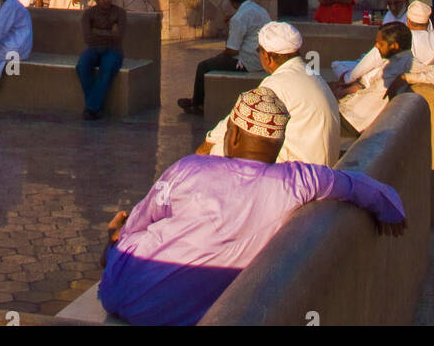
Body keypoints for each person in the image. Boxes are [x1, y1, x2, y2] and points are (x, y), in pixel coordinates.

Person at [98, 86, 406, 326]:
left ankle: (111, 243)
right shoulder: (299, 181)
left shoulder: (189, 168)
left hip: (126, 295)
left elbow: (144, 217)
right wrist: (391, 208)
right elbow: (354, 184)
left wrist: (121, 237)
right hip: (191, 311)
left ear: (232, 136)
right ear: (278, 145)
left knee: (125, 234)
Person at [197, 21, 340, 166]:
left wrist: (208, 144)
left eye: (259, 51)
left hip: (302, 170)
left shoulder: (277, 83)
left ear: (268, 57)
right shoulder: (311, 74)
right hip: (323, 165)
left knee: (218, 152)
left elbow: (238, 117)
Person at [330, 24, 434, 134]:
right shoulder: (390, 61)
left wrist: (405, 77)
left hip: (353, 121)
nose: (376, 46)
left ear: (394, 46)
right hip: (345, 112)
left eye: (380, 44)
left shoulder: (408, 63)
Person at [177, 0, 270, 115]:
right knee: (217, 61)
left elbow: (232, 51)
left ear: (231, 1)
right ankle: (196, 100)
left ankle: (198, 104)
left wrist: (221, 55)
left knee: (203, 66)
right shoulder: (260, 10)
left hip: (246, 63)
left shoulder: (239, 18)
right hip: (262, 59)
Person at [76, 0, 127, 120]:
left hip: (113, 50)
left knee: (107, 68)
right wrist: (109, 32)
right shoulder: (88, 14)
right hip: (93, 48)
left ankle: (91, 108)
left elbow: (118, 37)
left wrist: (97, 31)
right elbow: (88, 38)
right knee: (82, 66)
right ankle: (95, 106)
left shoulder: (120, 13)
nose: (106, 1)